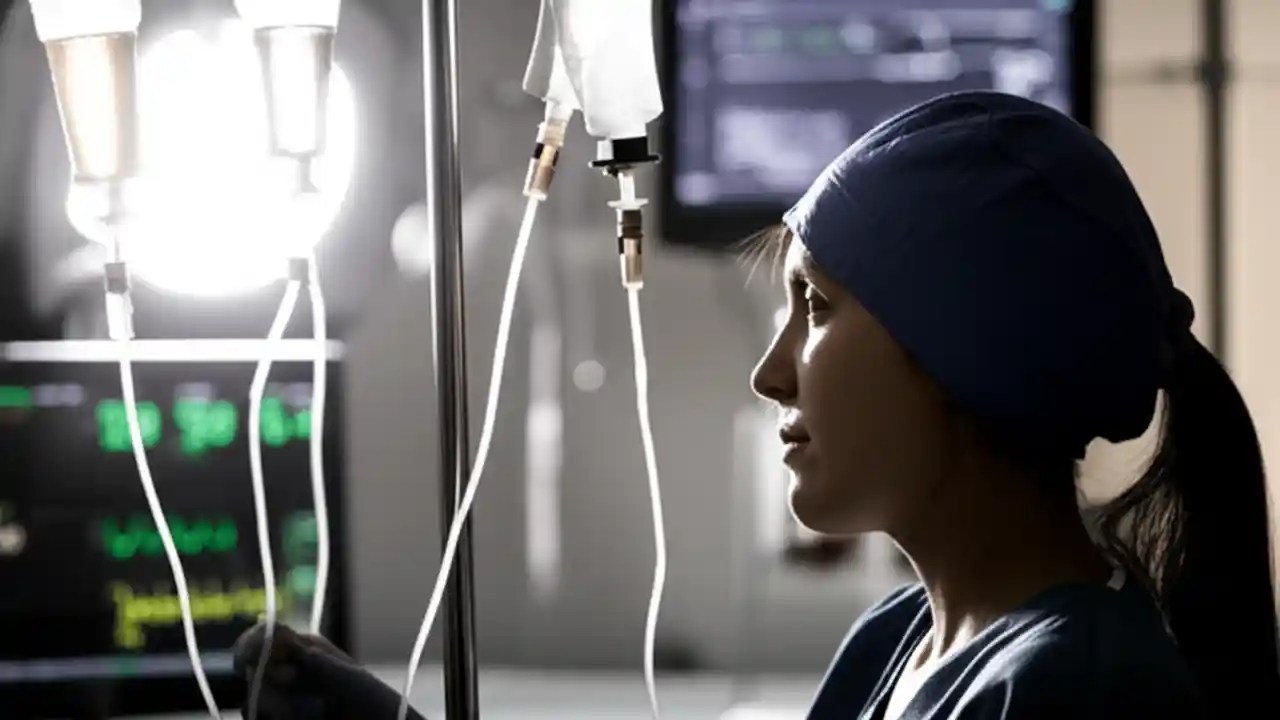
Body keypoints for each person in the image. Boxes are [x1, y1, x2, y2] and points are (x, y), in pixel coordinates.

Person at [232, 90, 1280, 718]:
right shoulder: (897, 642)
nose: (771, 372)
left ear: (964, 349)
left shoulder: (1072, 690)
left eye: (814, 308)